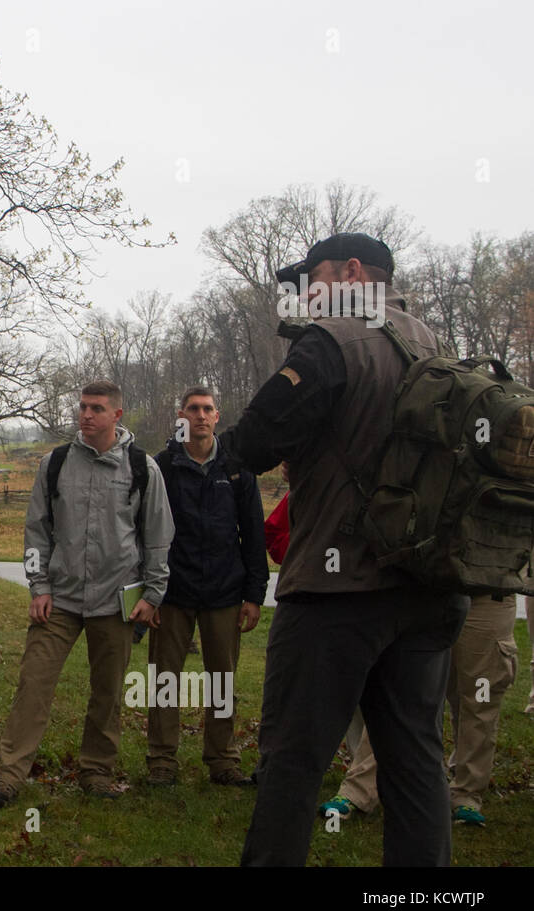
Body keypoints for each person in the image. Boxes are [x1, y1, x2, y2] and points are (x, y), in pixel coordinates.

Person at [216, 232, 470, 866]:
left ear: (353, 271)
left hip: (339, 590)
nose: (307, 292)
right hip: (428, 588)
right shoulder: (434, 346)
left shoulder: (332, 341)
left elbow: (254, 440)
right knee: (414, 759)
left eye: (315, 276)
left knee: (294, 760)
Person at [0, 381, 173, 807]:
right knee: (33, 683)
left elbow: (158, 537)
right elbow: (36, 531)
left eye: (97, 408)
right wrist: (39, 586)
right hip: (61, 600)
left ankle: (96, 772)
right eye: (83, 407)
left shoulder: (143, 468)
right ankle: (10, 774)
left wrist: (153, 594)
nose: (86, 415)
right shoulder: (56, 463)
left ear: (116, 415)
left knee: (107, 692)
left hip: (115, 602)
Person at [145, 386, 267, 787]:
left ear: (218, 416)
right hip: (173, 593)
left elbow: (253, 535)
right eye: (193, 409)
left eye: (207, 409)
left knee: (221, 680)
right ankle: (162, 760)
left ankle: (222, 761)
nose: (200, 416)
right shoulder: (161, 466)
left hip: (224, 593)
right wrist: (150, 593)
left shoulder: (236, 469)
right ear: (181, 415)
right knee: (165, 679)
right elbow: (145, 532)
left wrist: (254, 594)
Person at [318, 595, 519, 828]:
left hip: (487, 595)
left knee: (479, 700)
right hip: (424, 590)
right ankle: (359, 788)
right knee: (397, 692)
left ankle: (467, 795)